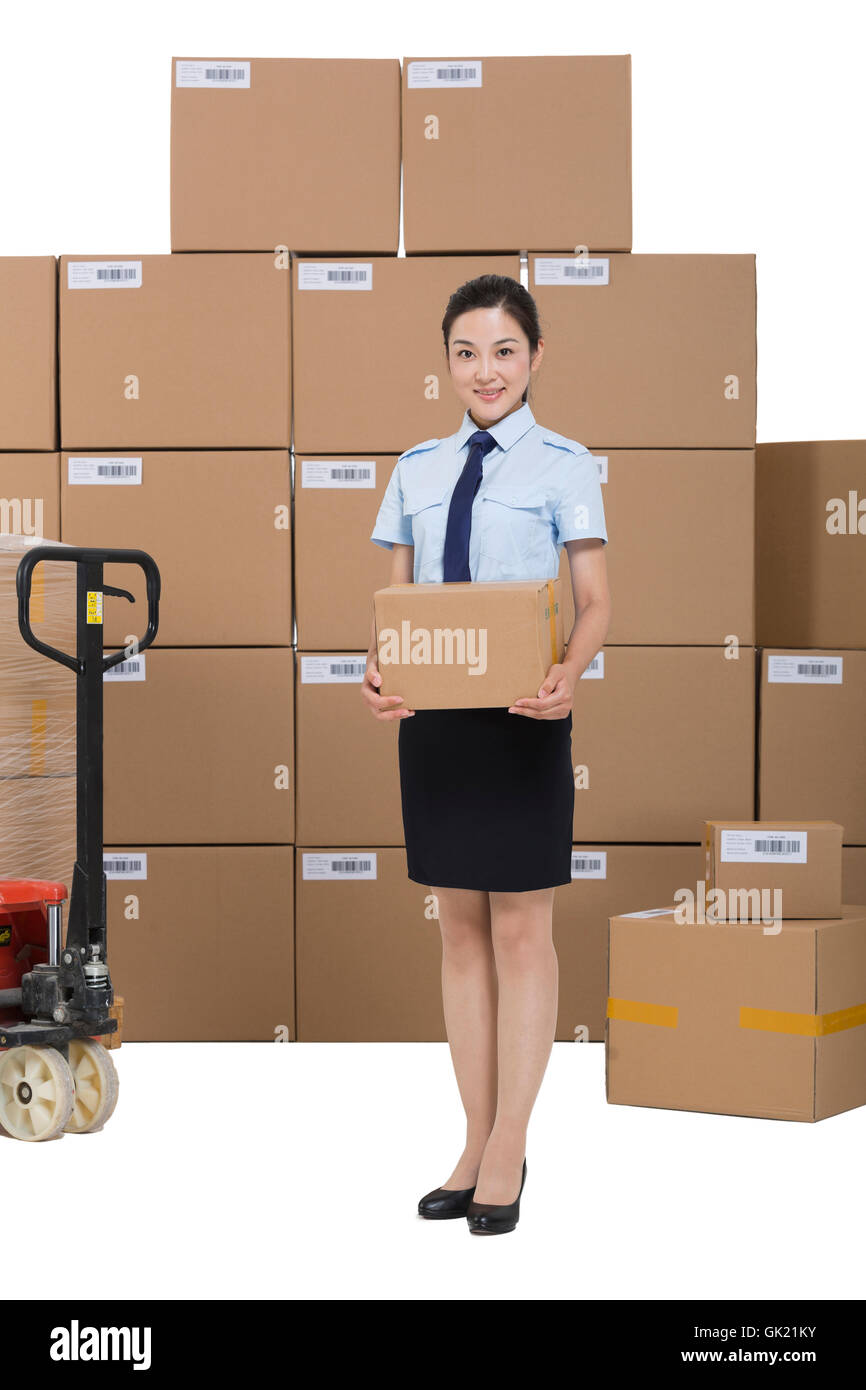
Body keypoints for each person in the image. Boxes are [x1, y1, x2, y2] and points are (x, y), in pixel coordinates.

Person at [362, 273, 610, 1235]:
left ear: (535, 357)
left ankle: (512, 1141)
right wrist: (376, 672)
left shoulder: (564, 464)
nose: (485, 370)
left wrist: (570, 675)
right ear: (448, 362)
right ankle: (471, 1139)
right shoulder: (417, 468)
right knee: (457, 930)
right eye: (466, 352)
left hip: (523, 716)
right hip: (437, 725)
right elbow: (395, 609)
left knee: (521, 933)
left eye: (504, 350)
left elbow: (593, 602)